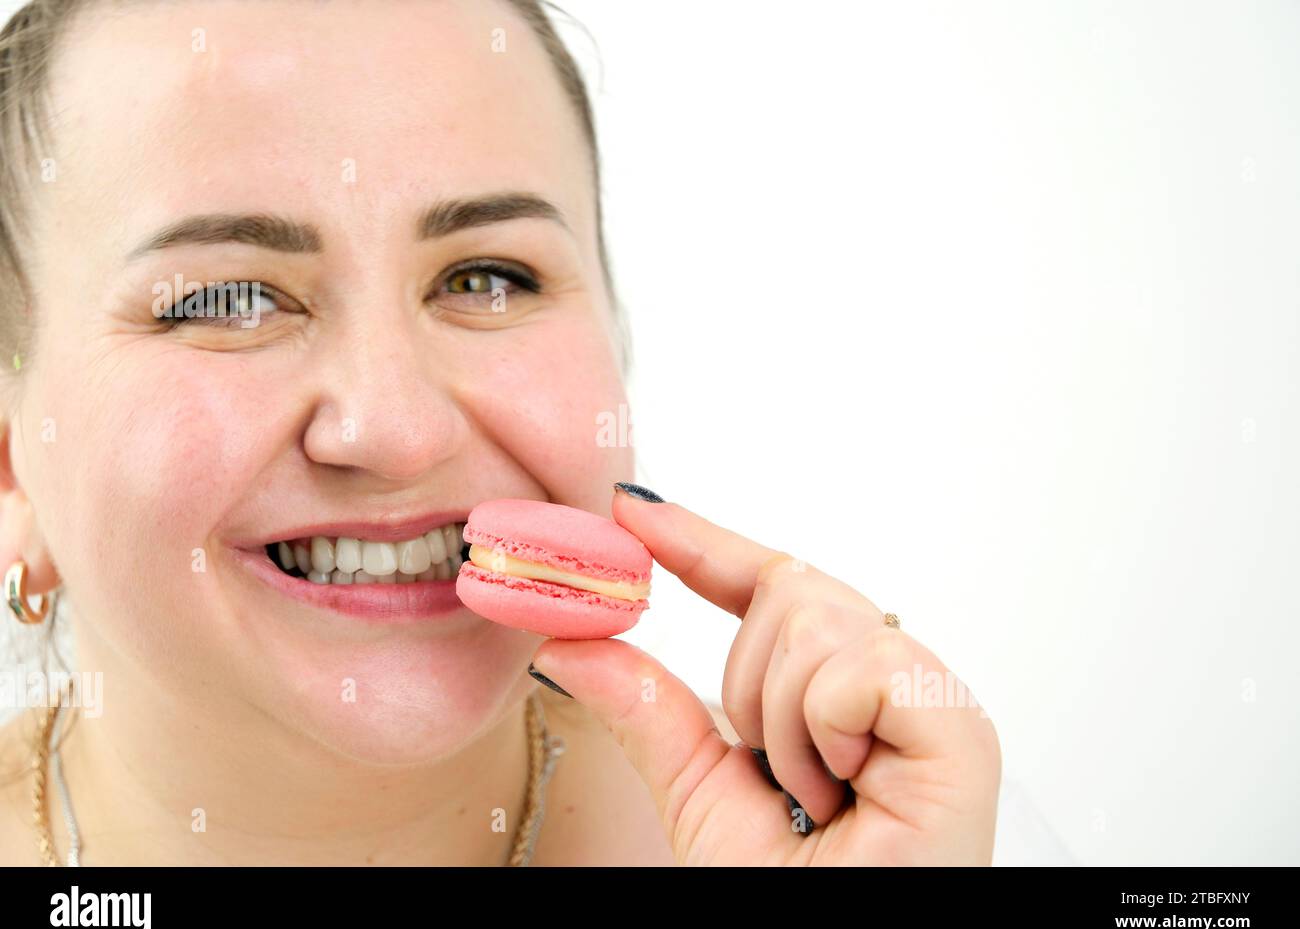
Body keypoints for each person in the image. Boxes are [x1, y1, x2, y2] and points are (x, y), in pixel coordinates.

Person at [0, 0, 1000, 865]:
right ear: (10, 467)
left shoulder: (864, 832)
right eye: (228, 297)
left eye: (485, 278)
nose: (396, 430)